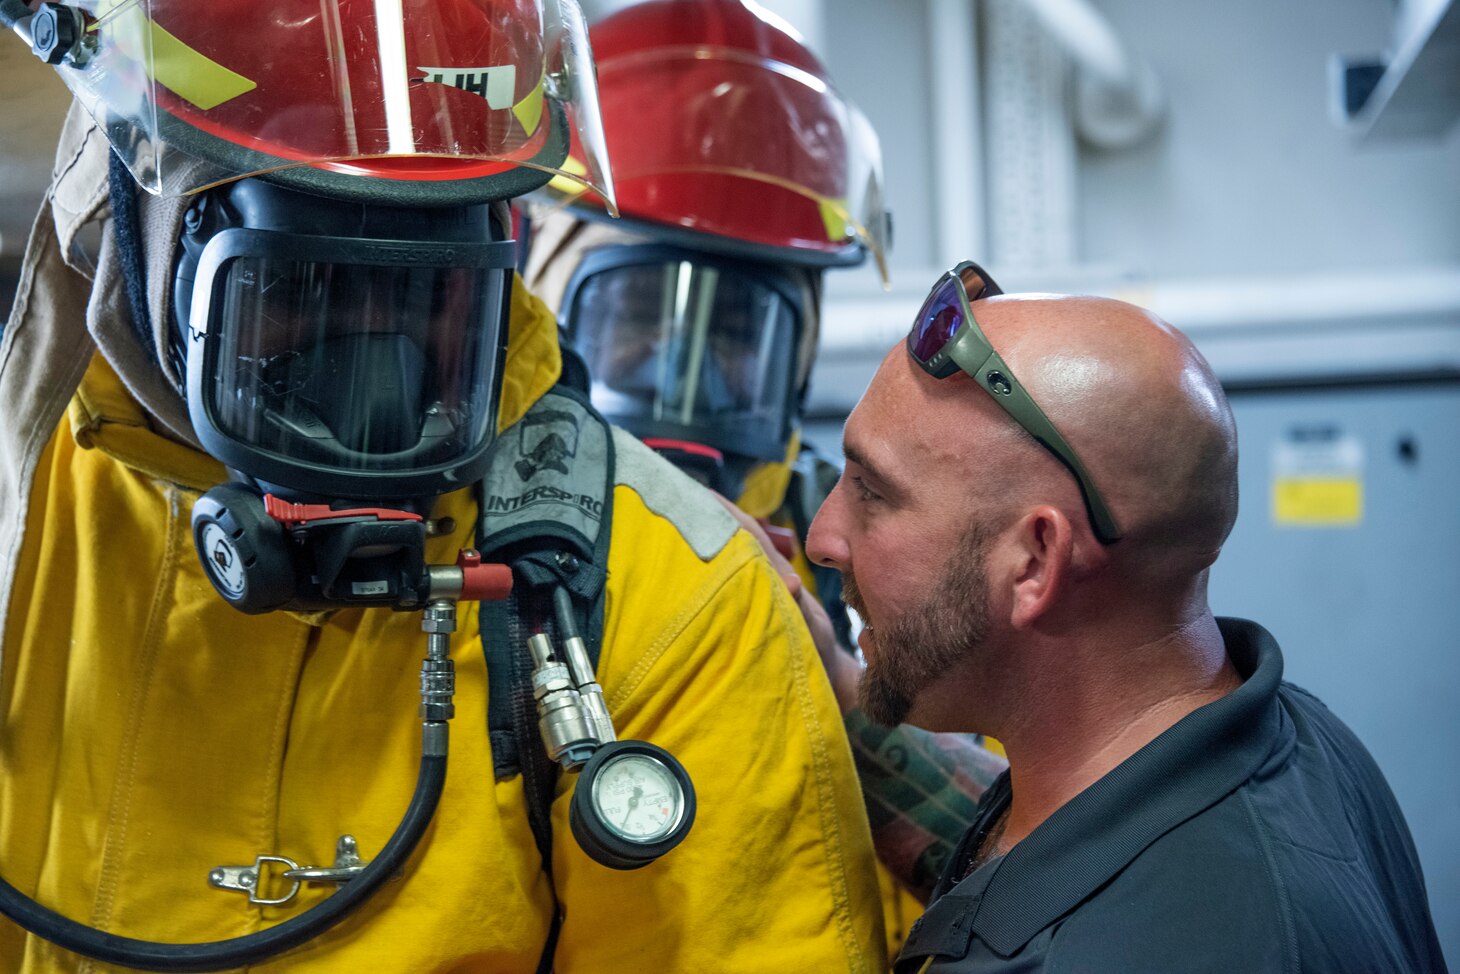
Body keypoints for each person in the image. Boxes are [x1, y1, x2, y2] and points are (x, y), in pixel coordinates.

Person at [0, 1, 888, 971]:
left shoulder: (678, 606)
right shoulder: (26, 509)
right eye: (302, 292)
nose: (376, 383)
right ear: (146, 230)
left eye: (434, 297)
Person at [797, 261, 1448, 971]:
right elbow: (1033, 870)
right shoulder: (1298, 745)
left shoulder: (1149, 949)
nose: (821, 539)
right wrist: (835, 679)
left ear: (1036, 560)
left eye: (873, 493)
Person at [519, 0, 1005, 925]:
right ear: (539, 287)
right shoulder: (471, 543)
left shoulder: (883, 555)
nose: (683, 369)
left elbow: (1021, 852)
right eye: (636, 319)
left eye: (739, 330)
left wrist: (828, 675)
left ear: (807, 342)